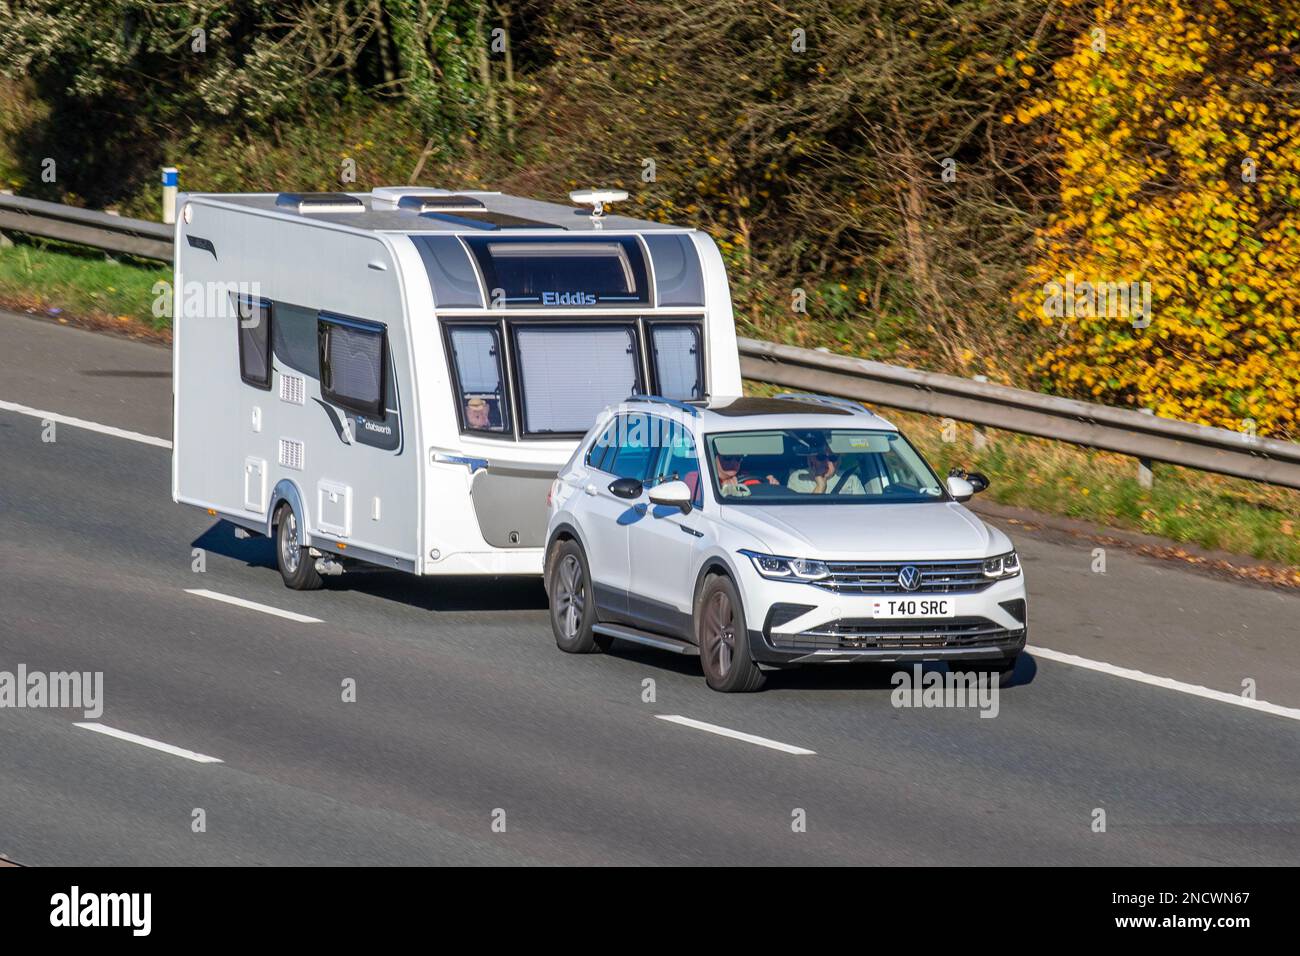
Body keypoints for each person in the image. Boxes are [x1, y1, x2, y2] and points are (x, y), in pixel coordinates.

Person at [786, 444, 866, 495]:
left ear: (838, 461)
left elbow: (864, 511)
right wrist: (821, 486)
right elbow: (802, 514)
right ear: (811, 459)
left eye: (833, 458)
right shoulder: (799, 478)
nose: (827, 462)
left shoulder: (851, 479)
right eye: (821, 457)